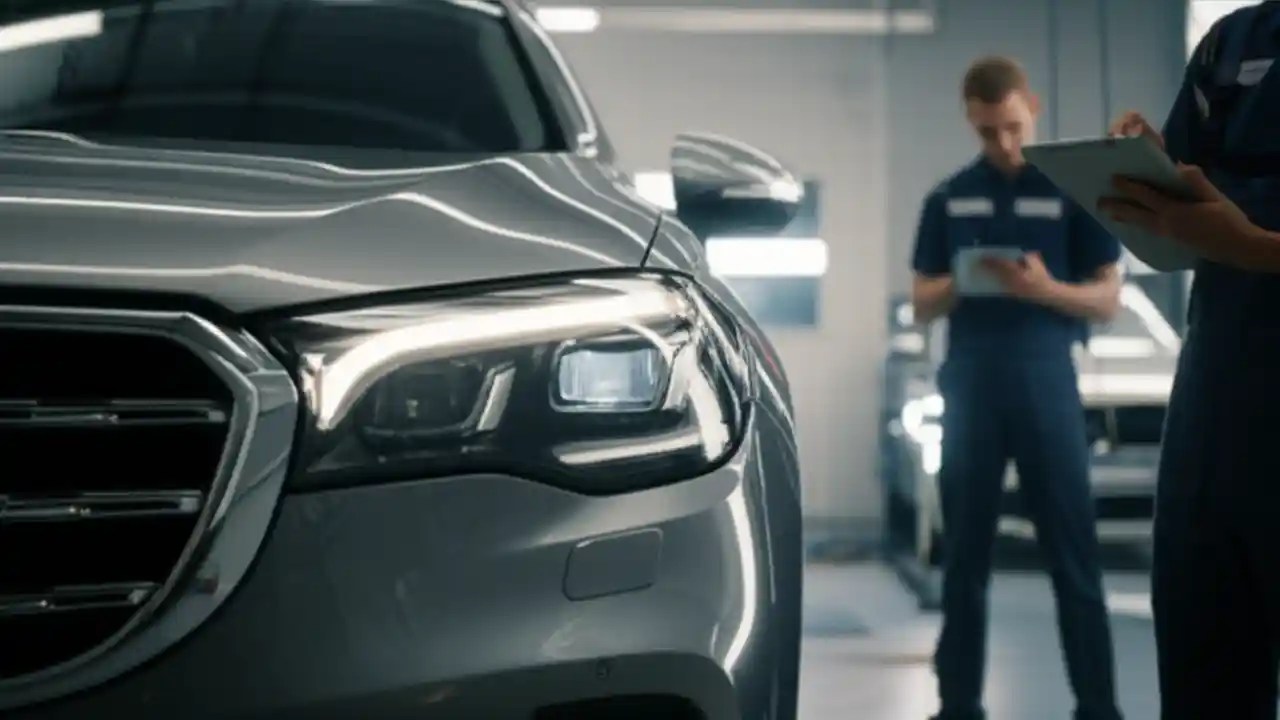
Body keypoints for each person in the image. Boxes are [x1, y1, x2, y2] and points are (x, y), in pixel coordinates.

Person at [911, 55, 1126, 720]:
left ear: (1032, 105)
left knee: (1074, 560)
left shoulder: (1071, 193)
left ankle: (1098, 708)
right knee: (965, 563)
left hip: (1047, 386)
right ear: (969, 123)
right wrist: (969, 278)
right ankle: (958, 707)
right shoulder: (948, 199)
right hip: (972, 386)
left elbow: (1108, 299)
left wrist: (1043, 289)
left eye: (1010, 126)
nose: (1002, 143)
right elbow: (921, 301)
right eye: (986, 132)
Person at [1100, 2, 1280, 717]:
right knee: (1206, 671)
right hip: (1217, 410)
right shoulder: (1235, 45)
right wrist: (1144, 175)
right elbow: (1176, 223)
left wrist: (1256, 249)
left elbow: (1234, 235)